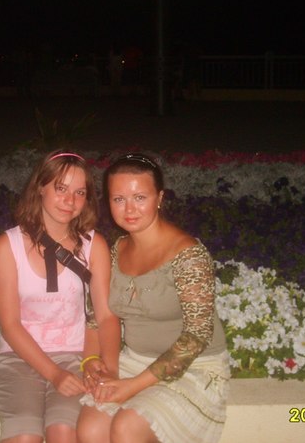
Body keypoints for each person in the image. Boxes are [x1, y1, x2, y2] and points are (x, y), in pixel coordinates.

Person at [77, 153, 230, 443]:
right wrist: (92, 361)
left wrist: (133, 386)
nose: (129, 209)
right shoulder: (117, 250)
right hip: (133, 362)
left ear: (159, 198)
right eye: (119, 199)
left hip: (191, 370)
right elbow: (97, 316)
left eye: (140, 197)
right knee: (90, 430)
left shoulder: (188, 255)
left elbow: (197, 336)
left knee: (127, 427)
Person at [0, 150, 121, 443]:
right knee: (24, 437)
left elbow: (105, 315)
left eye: (79, 192)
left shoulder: (93, 245)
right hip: (18, 358)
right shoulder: (8, 246)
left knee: (63, 432)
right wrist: (54, 374)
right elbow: (10, 325)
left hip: (75, 357)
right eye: (61, 188)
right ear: (40, 187)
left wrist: (107, 369)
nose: (70, 200)